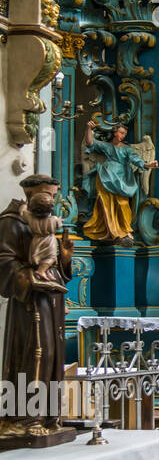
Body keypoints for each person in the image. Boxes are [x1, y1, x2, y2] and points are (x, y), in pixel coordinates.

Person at [0, 175, 75, 438]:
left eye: (54, 195)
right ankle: (22, 418)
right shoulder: (12, 222)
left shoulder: (42, 222)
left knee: (52, 357)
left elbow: (55, 264)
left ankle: (48, 416)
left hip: (50, 301)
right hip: (29, 303)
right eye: (48, 195)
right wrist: (31, 279)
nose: (51, 200)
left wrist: (64, 260)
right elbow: (5, 263)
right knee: (34, 355)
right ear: (31, 194)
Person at [83, 123, 157, 244]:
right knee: (105, 203)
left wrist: (148, 165)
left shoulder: (127, 149)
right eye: (121, 133)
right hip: (106, 175)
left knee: (122, 203)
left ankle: (125, 230)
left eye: (125, 134)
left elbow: (136, 159)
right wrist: (88, 128)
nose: (123, 136)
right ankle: (111, 232)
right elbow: (90, 143)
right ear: (114, 132)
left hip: (121, 177)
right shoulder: (106, 146)